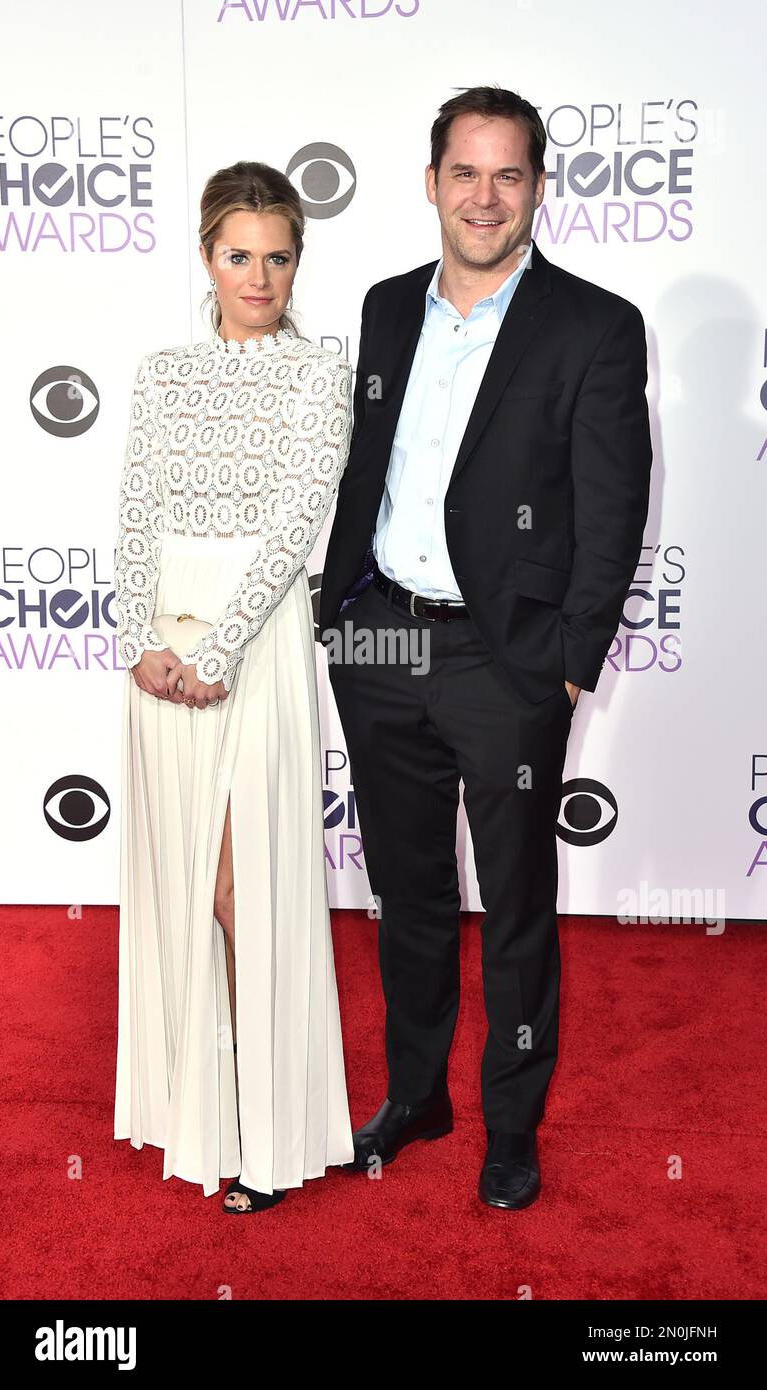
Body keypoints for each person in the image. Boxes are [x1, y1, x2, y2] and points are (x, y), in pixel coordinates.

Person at [319, 87, 652, 1210]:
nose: (483, 196)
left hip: (504, 664)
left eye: (507, 175)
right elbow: (362, 465)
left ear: (537, 190)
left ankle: (510, 1123)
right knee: (406, 894)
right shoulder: (380, 309)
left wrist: (567, 661)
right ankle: (416, 1093)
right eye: (464, 172)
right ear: (429, 184)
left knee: (513, 908)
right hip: (378, 644)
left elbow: (611, 512)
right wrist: (337, 613)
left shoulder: (592, 326)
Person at [114, 161, 355, 1214]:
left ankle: (274, 1131)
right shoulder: (163, 370)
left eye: (278, 256)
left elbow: (300, 519)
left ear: (297, 261)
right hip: (160, 648)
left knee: (237, 886)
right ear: (206, 256)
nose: (258, 276)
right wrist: (136, 634)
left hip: (252, 648)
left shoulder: (319, 369)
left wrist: (215, 651)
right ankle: (194, 1110)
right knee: (180, 889)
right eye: (238, 254)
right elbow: (135, 503)